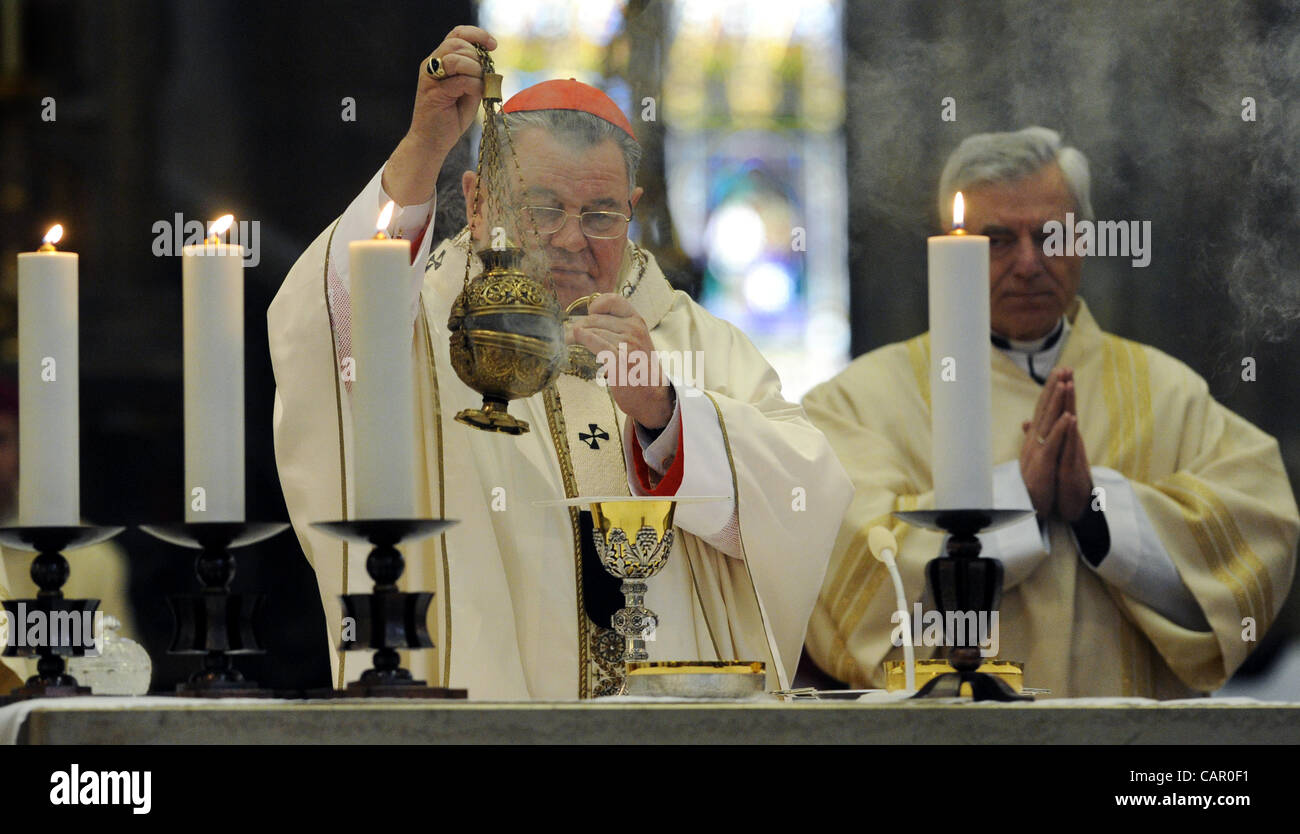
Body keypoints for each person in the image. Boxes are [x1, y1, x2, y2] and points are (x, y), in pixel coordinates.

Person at [268, 26, 851, 699]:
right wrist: (423, 145)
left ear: (632, 212)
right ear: (479, 204)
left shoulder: (691, 340)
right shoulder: (417, 321)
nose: (572, 237)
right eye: (542, 208)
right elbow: (323, 335)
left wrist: (665, 413)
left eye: (601, 214)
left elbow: (805, 499)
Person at [802, 127, 1299, 698]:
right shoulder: (860, 402)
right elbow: (841, 593)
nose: (1029, 262)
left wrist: (1097, 511)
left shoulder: (1169, 393)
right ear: (951, 247)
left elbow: (1257, 543)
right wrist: (1018, 498)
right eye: (996, 240)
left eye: (1051, 235)